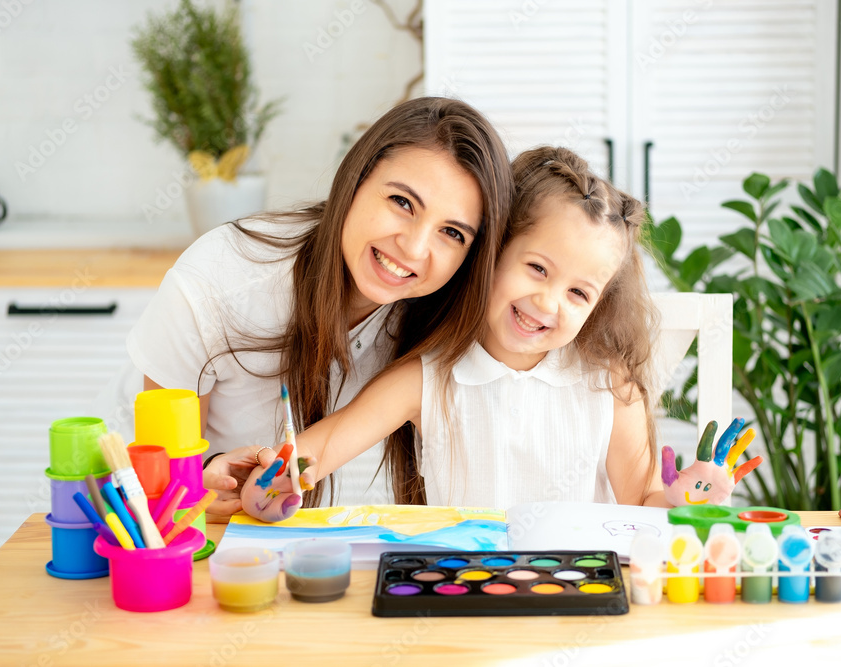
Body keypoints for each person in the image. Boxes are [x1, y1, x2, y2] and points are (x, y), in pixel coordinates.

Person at [124, 97, 514, 521]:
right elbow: (162, 482)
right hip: (133, 514)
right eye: (402, 202)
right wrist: (198, 482)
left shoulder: (440, 316)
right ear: (356, 179)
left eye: (452, 232)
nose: (415, 248)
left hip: (260, 528)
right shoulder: (220, 281)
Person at [243, 146, 667, 519]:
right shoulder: (427, 378)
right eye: (537, 269)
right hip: (464, 594)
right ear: (491, 252)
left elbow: (647, 500)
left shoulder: (609, 385)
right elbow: (319, 449)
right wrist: (277, 478)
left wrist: (686, 501)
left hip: (579, 595)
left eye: (578, 293)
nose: (549, 302)